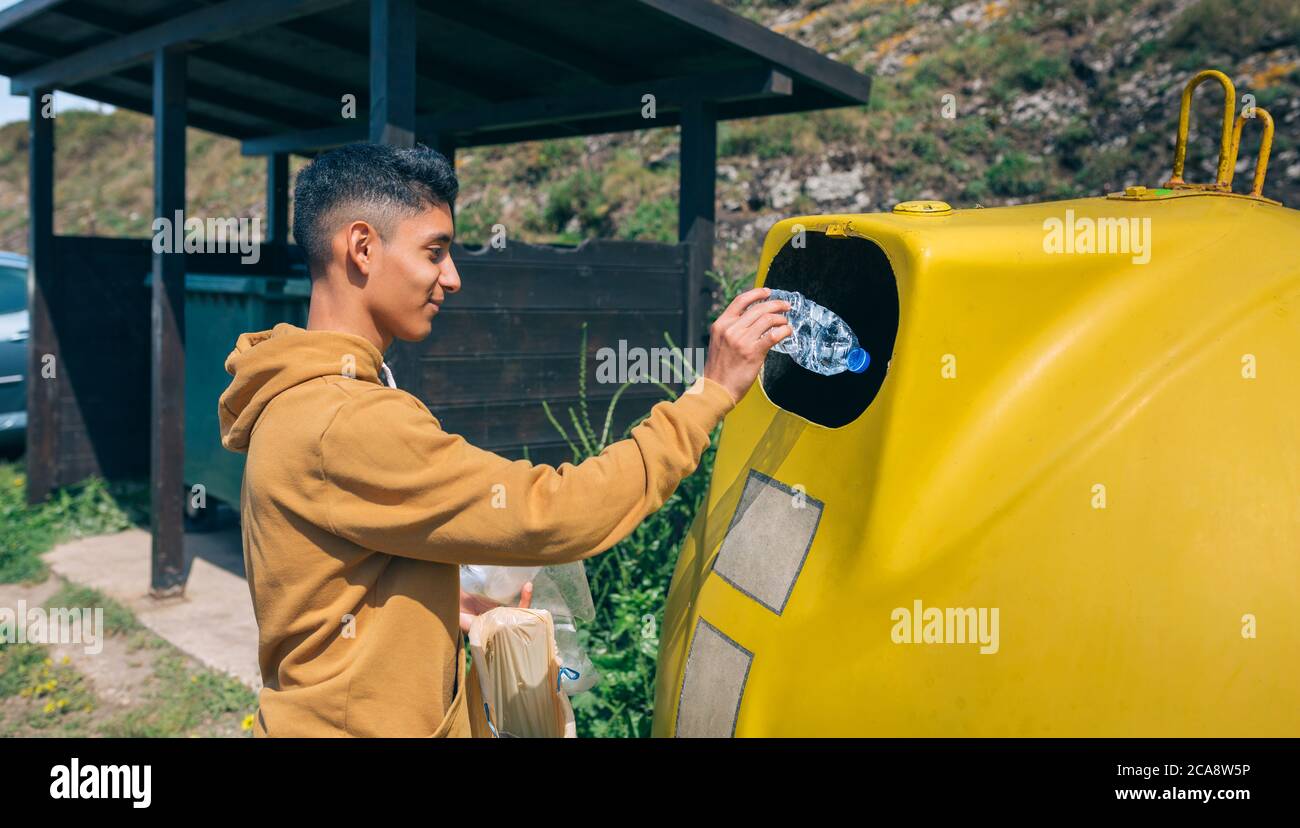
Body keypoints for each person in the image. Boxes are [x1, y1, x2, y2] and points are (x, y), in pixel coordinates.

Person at [217, 142, 792, 737]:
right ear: (362, 248)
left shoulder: (298, 394)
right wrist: (710, 394)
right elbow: (555, 513)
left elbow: (336, 584)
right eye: (435, 251)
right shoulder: (345, 419)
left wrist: (440, 605)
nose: (453, 277)